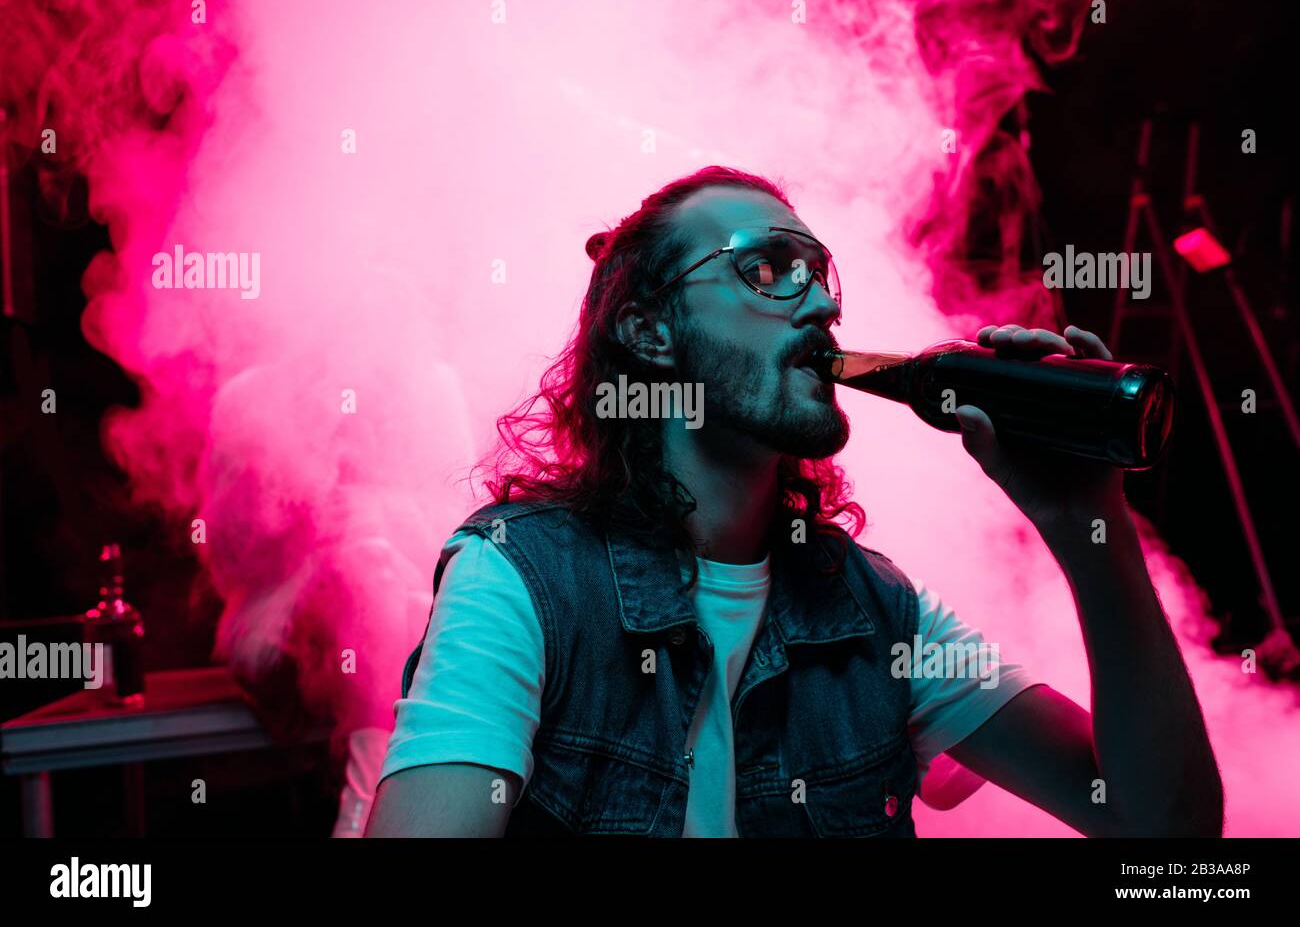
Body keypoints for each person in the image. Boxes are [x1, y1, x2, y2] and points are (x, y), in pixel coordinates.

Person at [365, 165, 1222, 837]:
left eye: (819, 272)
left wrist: (1088, 528)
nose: (821, 300)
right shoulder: (522, 582)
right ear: (649, 331)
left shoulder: (883, 617)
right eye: (768, 266)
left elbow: (1164, 831)